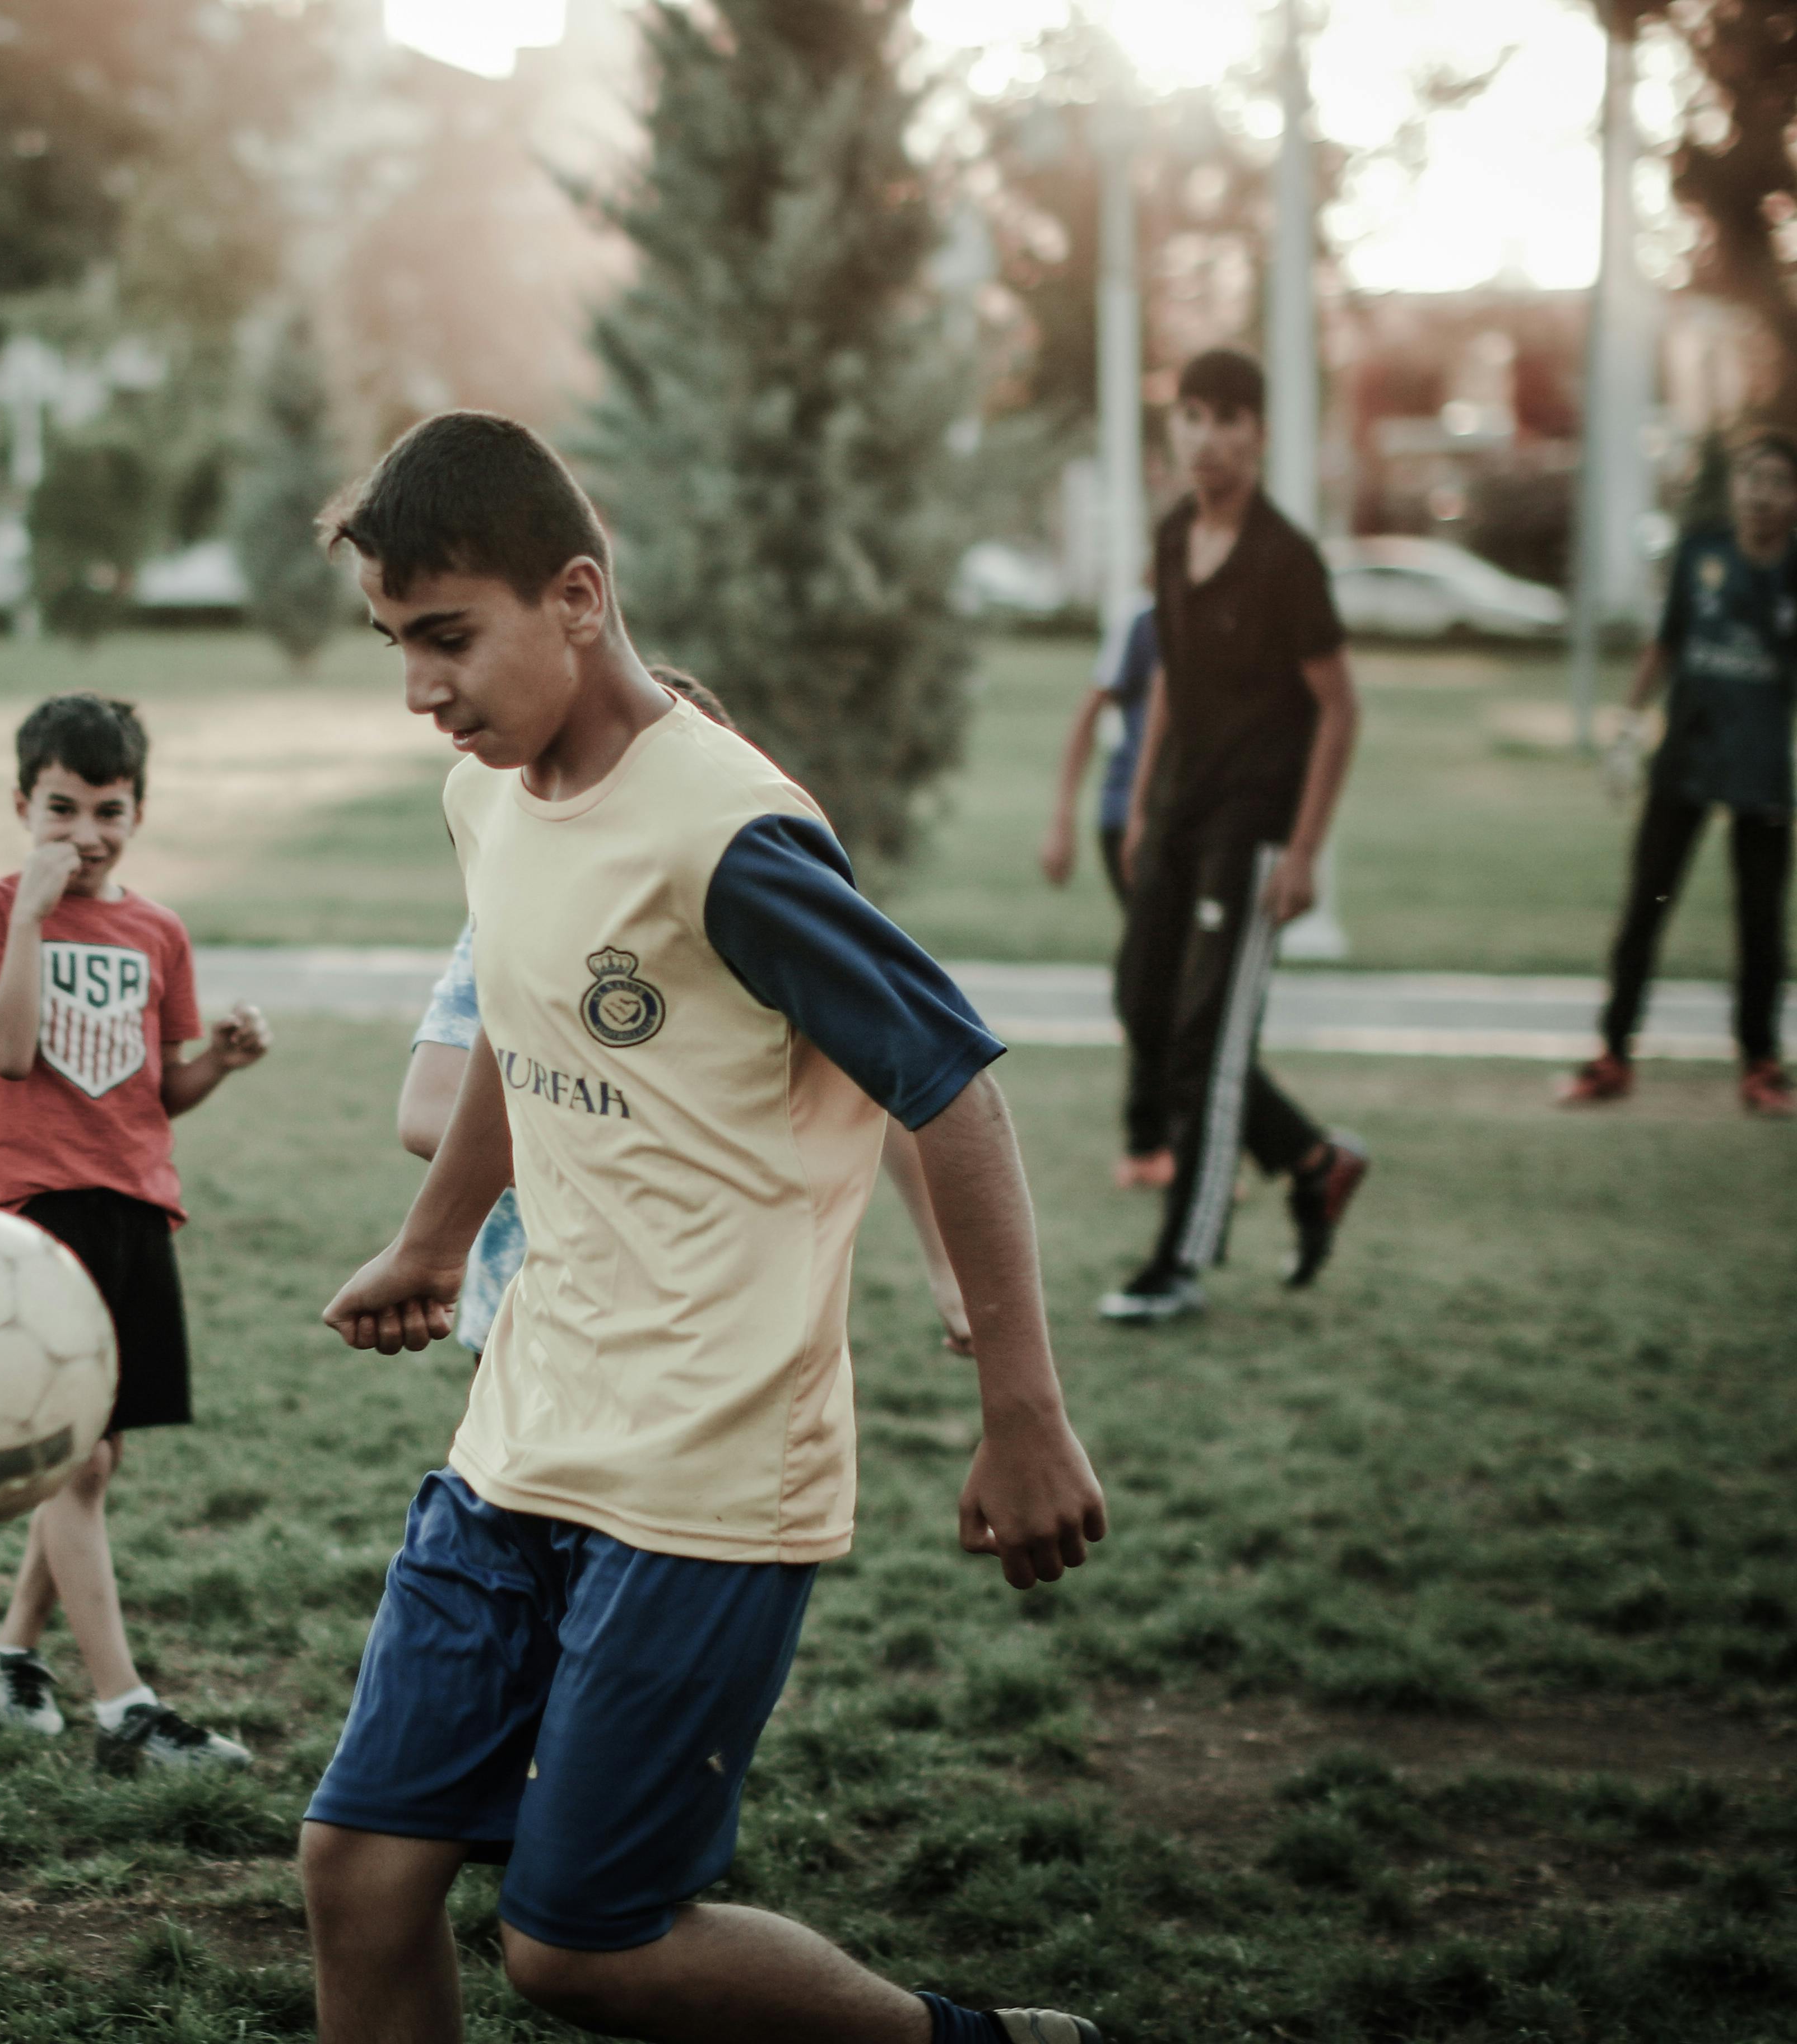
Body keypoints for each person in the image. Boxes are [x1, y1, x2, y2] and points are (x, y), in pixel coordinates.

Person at [307, 410, 1108, 2044]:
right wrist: (436, 1236)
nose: (420, 691)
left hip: (712, 1464)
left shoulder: (728, 834)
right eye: (398, 646)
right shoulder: (496, 799)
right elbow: (526, 1042)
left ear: (578, 596)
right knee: (358, 1871)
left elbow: (951, 1088)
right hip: (523, 1427)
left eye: (448, 638)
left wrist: (1022, 1413)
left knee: (583, 1944)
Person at [402, 682, 974, 1361]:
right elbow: (426, 1114)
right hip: (527, 1311)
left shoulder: (738, 913)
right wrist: (650, 1167)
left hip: (704, 1316)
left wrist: (949, 1269)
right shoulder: (513, 920)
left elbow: (893, 1073)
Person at [0, 693, 274, 1774]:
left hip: (136, 1201)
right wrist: (35, 918)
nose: (85, 832)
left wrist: (219, 1062)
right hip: (34, 1208)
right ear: (20, 802)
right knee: (76, 1460)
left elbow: (152, 1090)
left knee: (95, 1457)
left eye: (110, 809)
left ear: (138, 811)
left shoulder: (158, 930)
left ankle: (10, 1652)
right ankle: (125, 1711)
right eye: (61, 807)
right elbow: (4, 1052)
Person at [1098, 349, 1369, 1326]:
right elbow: (1167, 671)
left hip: (1252, 831)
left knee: (1207, 1043)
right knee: (1141, 1003)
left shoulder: (1285, 560)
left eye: (1227, 420)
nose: (1205, 438)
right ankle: (1310, 1157)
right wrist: (1137, 804)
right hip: (1174, 815)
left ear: (1258, 433)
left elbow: (1340, 710)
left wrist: (1302, 851)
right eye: (1191, 416)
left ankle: (1180, 1258)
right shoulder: (1172, 537)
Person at [1560, 428, 1796, 1118]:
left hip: (1761, 773)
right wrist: (1628, 729)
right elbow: (1663, 646)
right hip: (1686, 761)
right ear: (1735, 488)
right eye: (1754, 479)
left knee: (1761, 924)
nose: (1764, 495)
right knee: (1646, 910)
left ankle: (1760, 1065)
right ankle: (1612, 1056)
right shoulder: (1702, 556)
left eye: (1780, 482)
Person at [1038, 588, 1171, 1187]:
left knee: (1163, 983)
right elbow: (1089, 712)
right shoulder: (1145, 621)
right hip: (1130, 822)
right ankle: (1152, 1145)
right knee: (1155, 982)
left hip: (1191, 826)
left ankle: (1158, 1143)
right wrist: (1062, 818)